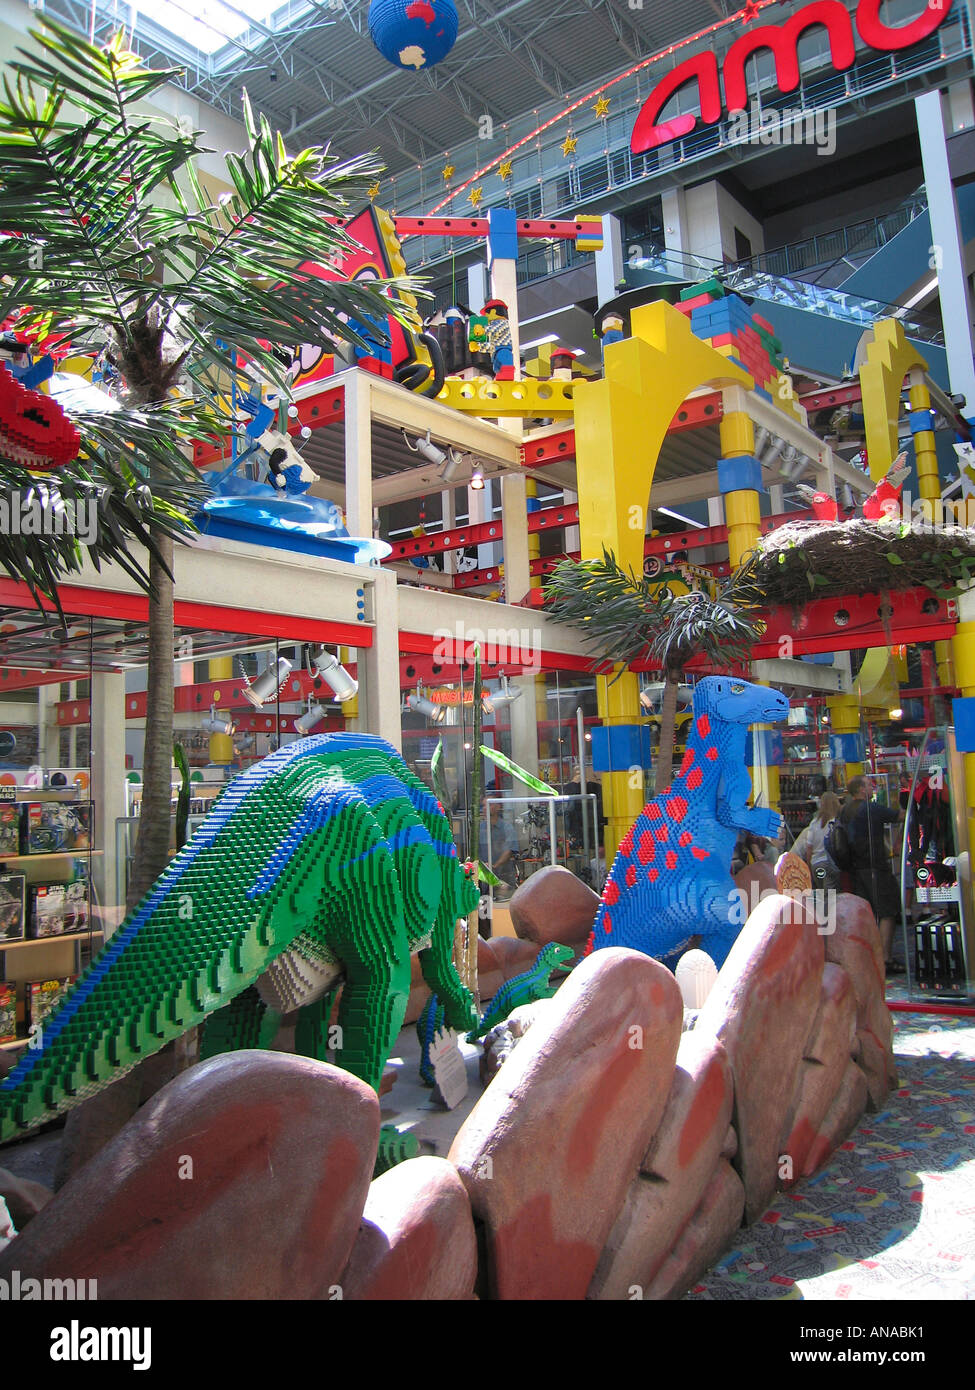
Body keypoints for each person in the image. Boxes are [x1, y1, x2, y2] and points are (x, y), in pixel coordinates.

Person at [840, 775, 904, 972]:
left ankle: (867, 957)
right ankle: (884, 958)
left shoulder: (844, 810)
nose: (872, 787)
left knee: (866, 913)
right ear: (860, 789)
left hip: (855, 869)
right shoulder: (870, 808)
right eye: (868, 785)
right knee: (887, 910)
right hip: (875, 866)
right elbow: (899, 816)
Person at [793, 791, 843, 889]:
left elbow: (809, 848)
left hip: (816, 864)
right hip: (829, 864)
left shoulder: (814, 823)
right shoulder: (835, 822)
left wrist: (809, 866)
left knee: (820, 893)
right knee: (831, 895)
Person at [478, 795, 520, 898]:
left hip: (503, 876)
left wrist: (494, 866)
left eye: (489, 804)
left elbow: (509, 850)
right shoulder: (479, 828)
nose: (485, 808)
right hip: (483, 878)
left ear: (498, 807)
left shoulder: (507, 828)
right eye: (483, 805)